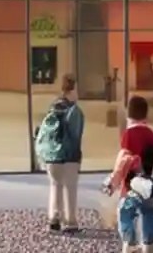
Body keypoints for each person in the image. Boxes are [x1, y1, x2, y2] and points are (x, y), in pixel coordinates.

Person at [103, 96, 153, 253]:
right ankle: (149, 245)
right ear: (146, 114)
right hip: (151, 184)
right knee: (149, 213)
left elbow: (125, 159)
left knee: (126, 213)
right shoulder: (152, 135)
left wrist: (115, 179)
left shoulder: (129, 135)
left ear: (128, 115)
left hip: (133, 185)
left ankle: (130, 243)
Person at [34, 74, 85, 233]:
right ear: (72, 90)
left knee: (55, 186)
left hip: (51, 157)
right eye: (77, 89)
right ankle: (70, 222)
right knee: (70, 188)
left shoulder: (53, 107)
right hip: (68, 156)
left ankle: (54, 219)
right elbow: (76, 135)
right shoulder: (74, 110)